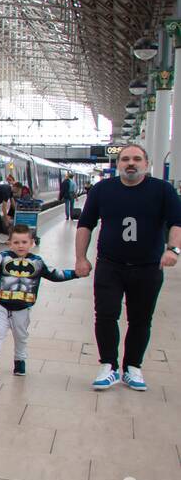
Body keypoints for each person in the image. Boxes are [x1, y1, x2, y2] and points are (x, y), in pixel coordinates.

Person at [75, 144, 181, 391]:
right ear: (118, 164)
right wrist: (81, 258)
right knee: (105, 315)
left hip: (148, 267)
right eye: (125, 159)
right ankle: (108, 366)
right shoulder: (102, 190)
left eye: (136, 159)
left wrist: (173, 249)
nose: (130, 163)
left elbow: (177, 222)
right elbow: (85, 225)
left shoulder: (163, 190)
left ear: (147, 164)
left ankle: (133, 367)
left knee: (141, 319)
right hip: (110, 265)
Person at [0, 223, 80, 376]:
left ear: (32, 243)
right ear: (9, 243)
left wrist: (76, 273)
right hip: (0, 304)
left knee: (21, 336)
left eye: (24, 242)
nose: (20, 246)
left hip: (23, 308)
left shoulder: (38, 262)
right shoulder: (2, 257)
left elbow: (56, 275)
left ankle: (20, 361)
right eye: (16, 242)